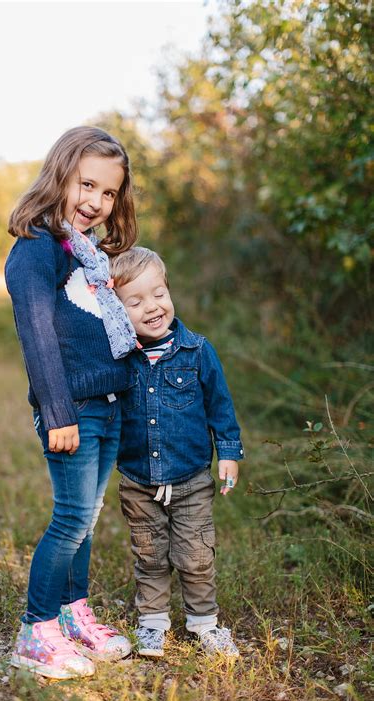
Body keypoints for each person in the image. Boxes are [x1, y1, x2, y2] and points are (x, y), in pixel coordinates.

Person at [5, 126, 139, 680]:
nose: (95, 202)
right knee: (71, 519)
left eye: (108, 193)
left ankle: (71, 612)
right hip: (73, 410)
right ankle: (36, 631)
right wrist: (57, 413)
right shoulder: (37, 249)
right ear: (60, 175)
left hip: (107, 403)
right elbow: (38, 335)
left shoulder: (85, 253)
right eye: (86, 185)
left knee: (89, 518)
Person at [110, 247, 244, 659]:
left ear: (169, 291)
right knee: (149, 553)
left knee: (196, 554)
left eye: (158, 294)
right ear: (116, 312)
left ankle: (204, 622)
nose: (152, 307)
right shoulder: (118, 359)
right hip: (138, 479)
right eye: (135, 302)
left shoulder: (197, 351)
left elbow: (220, 406)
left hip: (190, 478)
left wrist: (229, 451)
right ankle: (152, 623)